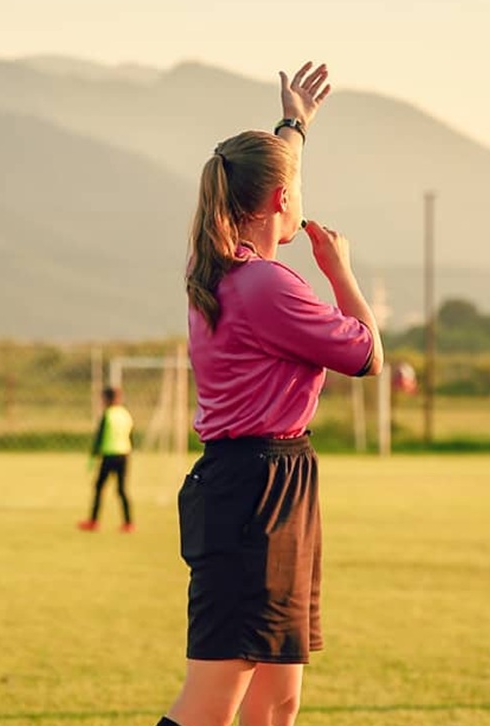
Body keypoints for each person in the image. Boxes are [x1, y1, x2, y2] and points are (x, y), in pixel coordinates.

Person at [155, 62, 383, 726]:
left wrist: (295, 129)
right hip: (252, 494)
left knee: (279, 700)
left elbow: (279, 190)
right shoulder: (267, 286)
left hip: (273, 483)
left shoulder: (217, 268)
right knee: (211, 704)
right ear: (281, 201)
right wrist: (341, 272)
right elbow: (368, 354)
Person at [78, 386, 135, 533]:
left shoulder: (108, 414)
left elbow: (100, 436)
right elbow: (130, 435)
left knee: (98, 487)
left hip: (109, 455)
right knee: (122, 489)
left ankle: (93, 521)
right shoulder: (125, 414)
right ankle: (129, 523)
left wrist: (93, 455)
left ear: (107, 399)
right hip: (124, 455)